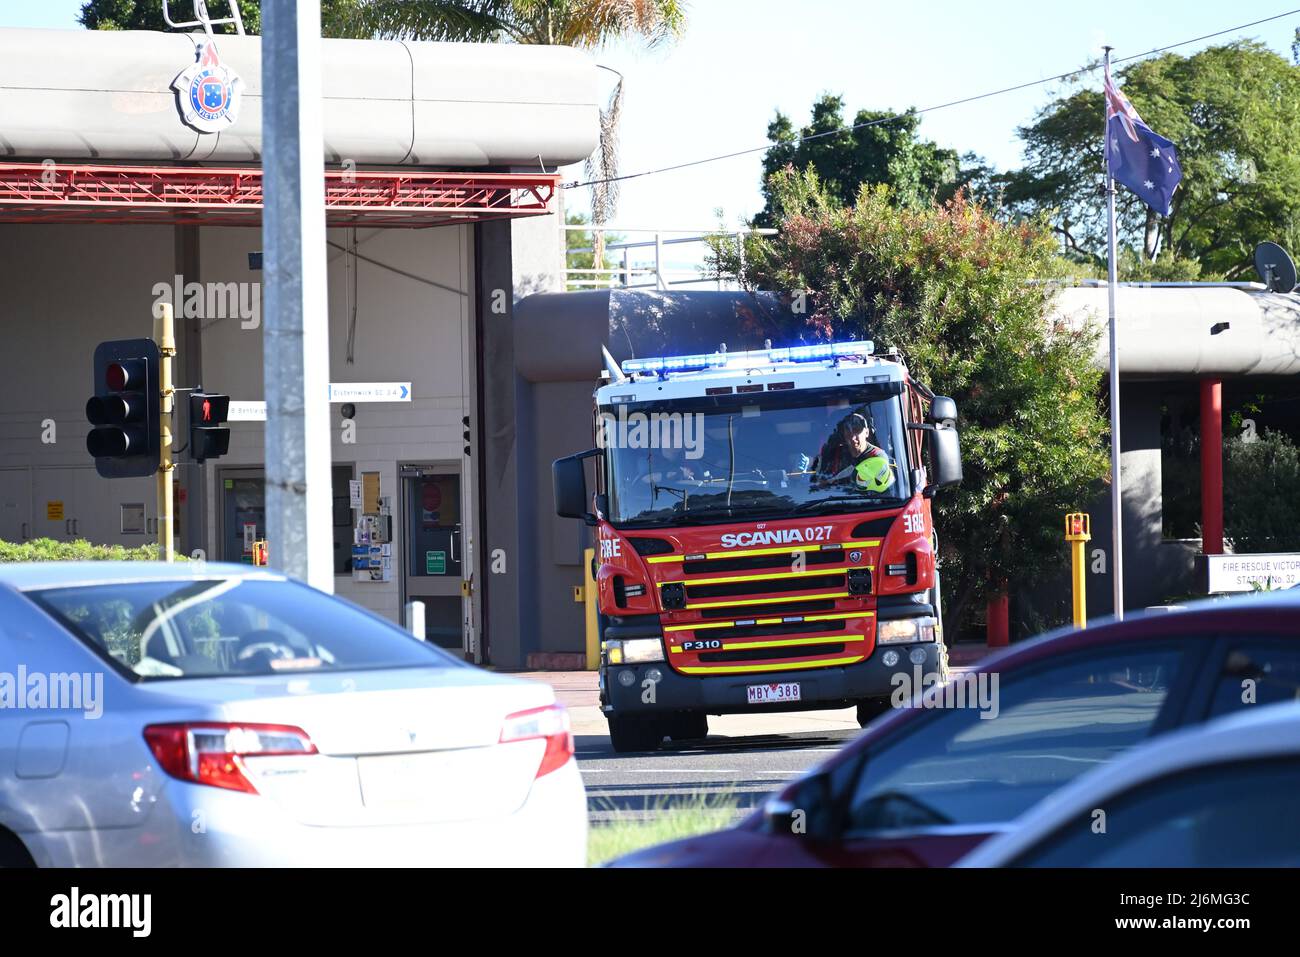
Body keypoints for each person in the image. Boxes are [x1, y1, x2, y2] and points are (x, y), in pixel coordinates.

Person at [811, 411, 895, 492]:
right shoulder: (838, 453)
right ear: (844, 434)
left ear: (866, 432)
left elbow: (876, 488)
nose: (853, 437)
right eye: (848, 432)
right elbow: (822, 478)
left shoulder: (878, 457)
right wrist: (811, 463)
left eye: (857, 430)